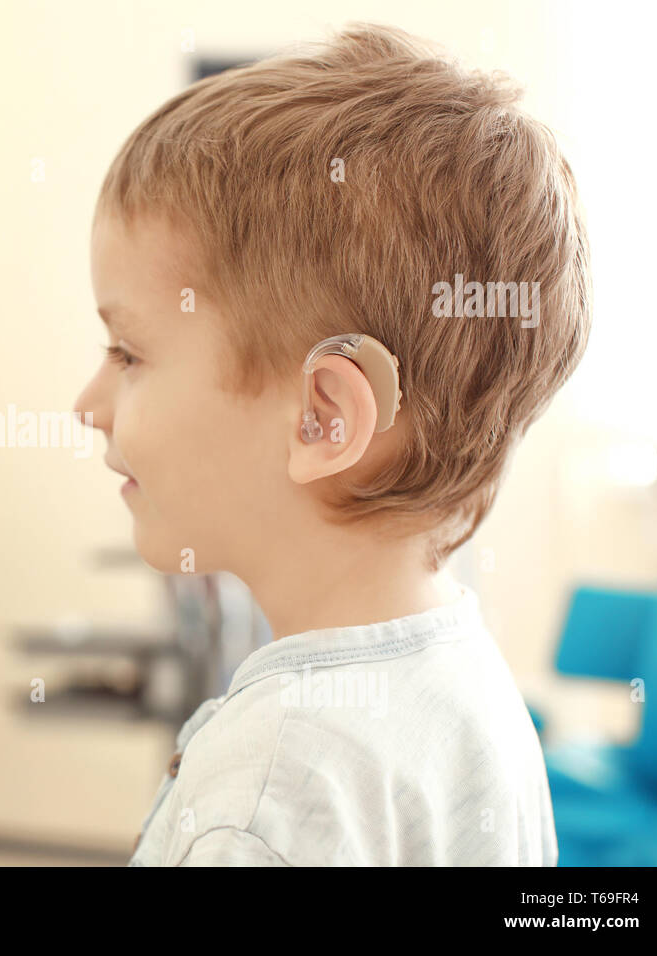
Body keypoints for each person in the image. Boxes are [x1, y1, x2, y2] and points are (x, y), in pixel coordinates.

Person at [74, 24, 590, 865]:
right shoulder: (468, 686)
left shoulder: (266, 796)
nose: (87, 404)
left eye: (128, 353)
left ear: (323, 418)